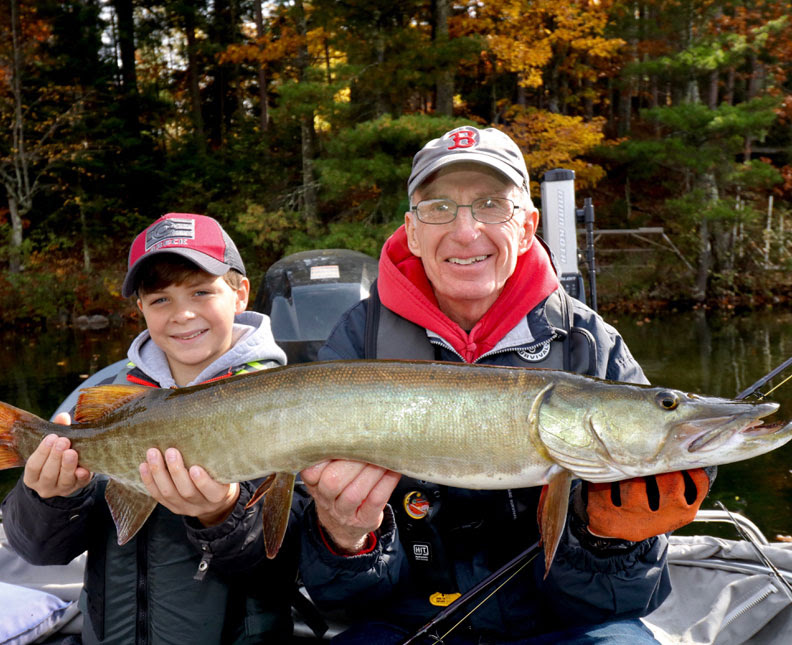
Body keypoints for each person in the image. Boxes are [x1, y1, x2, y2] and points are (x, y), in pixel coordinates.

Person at [297, 127, 711, 644]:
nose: (466, 231)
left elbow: (619, 601)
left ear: (527, 226)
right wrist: (345, 535)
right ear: (412, 231)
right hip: (406, 623)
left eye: (492, 205)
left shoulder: (589, 345)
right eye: (439, 208)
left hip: (562, 624)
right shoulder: (360, 341)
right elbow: (339, 599)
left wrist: (610, 540)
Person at [1, 213, 298, 643]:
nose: (183, 314)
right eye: (160, 299)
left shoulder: (290, 399)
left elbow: (286, 566)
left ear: (240, 294)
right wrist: (49, 498)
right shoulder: (108, 394)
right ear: (140, 308)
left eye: (201, 291)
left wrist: (222, 516)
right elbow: (39, 551)